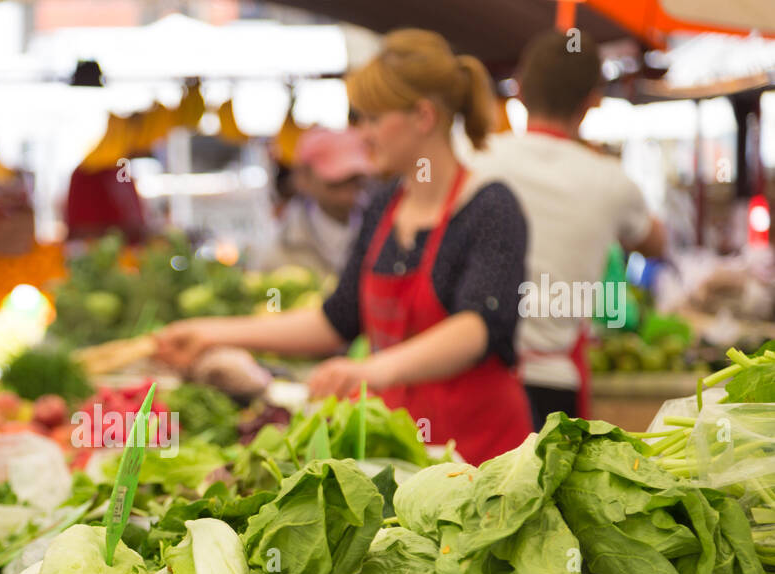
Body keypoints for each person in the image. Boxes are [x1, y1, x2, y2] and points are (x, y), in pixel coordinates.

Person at [155, 29, 533, 465]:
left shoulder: (491, 206)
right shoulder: (383, 209)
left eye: (372, 119)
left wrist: (372, 370)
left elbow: (478, 326)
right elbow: (337, 319)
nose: (362, 134)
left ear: (423, 116)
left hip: (483, 455)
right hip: (400, 451)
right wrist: (210, 332)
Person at [471, 30, 666, 428]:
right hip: (553, 388)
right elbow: (657, 242)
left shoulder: (476, 158)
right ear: (592, 103)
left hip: (475, 377)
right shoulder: (612, 181)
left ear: (519, 92)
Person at [248, 127, 374, 276]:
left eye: (354, 177)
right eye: (336, 180)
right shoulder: (277, 251)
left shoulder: (384, 231)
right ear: (304, 177)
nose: (348, 185)